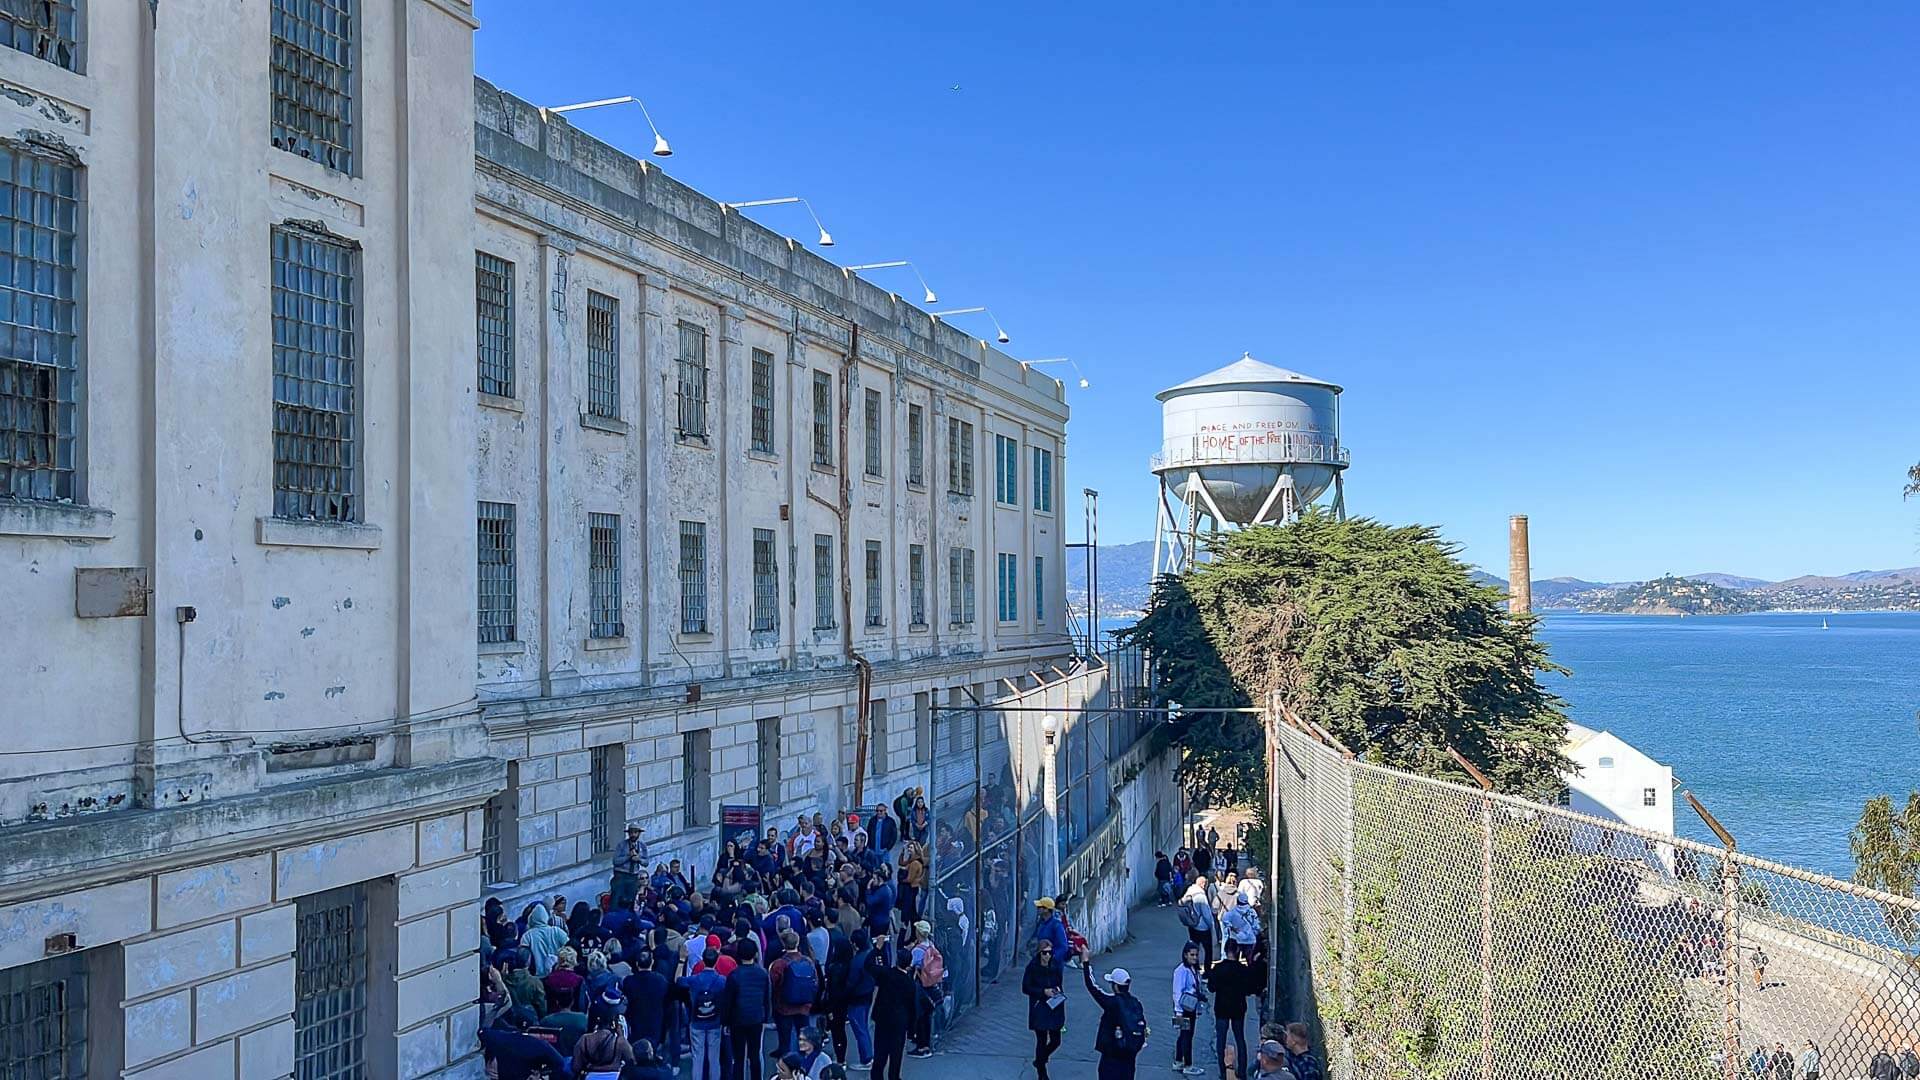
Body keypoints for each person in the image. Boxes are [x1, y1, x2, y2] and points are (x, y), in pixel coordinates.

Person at [1079, 944, 1148, 1080]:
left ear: (1115, 986)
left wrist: (1086, 962)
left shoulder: (1112, 1003)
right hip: (1129, 1056)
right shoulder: (1136, 1003)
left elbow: (1092, 987)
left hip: (1112, 1055)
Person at [721, 938, 772, 1080]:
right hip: (756, 1018)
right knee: (754, 1055)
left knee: (739, 1057)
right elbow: (767, 996)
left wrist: (725, 1021)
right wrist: (767, 1016)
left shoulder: (734, 975)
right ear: (755, 953)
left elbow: (728, 1001)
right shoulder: (762, 973)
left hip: (738, 1019)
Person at [868, 936, 918, 1080]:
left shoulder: (886, 974)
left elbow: (868, 965)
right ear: (909, 965)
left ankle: (876, 1077)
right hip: (899, 1023)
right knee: (896, 1055)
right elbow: (912, 1007)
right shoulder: (909, 983)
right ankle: (894, 1077)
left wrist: (877, 949)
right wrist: (912, 1030)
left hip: (882, 1019)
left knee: (880, 1054)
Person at [480, 1006, 571, 1080]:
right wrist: (541, 1071)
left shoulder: (500, 1037)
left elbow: (482, 1032)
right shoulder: (540, 1044)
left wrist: (496, 1007)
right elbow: (559, 1062)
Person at [679, 947, 728, 1080]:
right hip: (715, 1021)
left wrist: (681, 962)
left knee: (697, 1058)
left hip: (696, 1021)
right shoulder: (722, 980)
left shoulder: (694, 980)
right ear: (716, 960)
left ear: (703, 960)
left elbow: (678, 981)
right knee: (714, 1059)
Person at [1208, 948, 1256, 1080]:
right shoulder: (1243, 970)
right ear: (1238, 952)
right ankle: (1242, 1071)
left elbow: (1211, 988)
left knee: (1221, 1040)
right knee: (1240, 1038)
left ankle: (1223, 1071)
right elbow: (1249, 989)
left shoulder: (1218, 968)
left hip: (1222, 1007)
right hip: (1238, 1007)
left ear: (1225, 951)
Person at [1024, 937, 1068, 1080]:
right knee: (1041, 1040)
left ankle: (1040, 1060)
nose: (1047, 956)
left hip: (1054, 1006)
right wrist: (1043, 992)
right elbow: (1026, 987)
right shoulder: (1032, 967)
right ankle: (1042, 1073)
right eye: (1044, 953)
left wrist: (1056, 992)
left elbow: (1059, 982)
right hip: (1040, 1007)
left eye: (1049, 953)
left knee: (1056, 1040)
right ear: (1039, 953)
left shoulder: (1055, 965)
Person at [770, 929, 820, 1055]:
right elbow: (815, 981)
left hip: (784, 1006)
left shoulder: (779, 964)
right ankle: (804, 1061)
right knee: (803, 1035)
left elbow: (774, 984)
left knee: (785, 1038)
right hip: (804, 1006)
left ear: (783, 944)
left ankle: (786, 1061)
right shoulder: (808, 961)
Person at [621, 951, 670, 1067]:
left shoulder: (629, 981)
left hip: (636, 1023)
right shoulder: (661, 981)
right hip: (655, 1023)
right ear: (652, 963)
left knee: (637, 1054)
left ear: (637, 964)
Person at [842, 927, 877, 1070]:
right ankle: (869, 1055)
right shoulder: (871, 955)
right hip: (868, 993)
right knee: (864, 1026)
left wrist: (844, 995)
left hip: (857, 997)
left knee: (859, 1028)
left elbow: (851, 982)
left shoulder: (857, 961)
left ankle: (867, 1058)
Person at [574, 1005, 638, 1078]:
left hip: (590, 1076)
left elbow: (576, 1067)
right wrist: (621, 1035)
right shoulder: (620, 1042)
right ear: (613, 1023)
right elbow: (632, 1060)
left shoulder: (584, 1039)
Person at [1172, 942, 1206, 1075]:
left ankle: (1178, 1060)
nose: (1195, 957)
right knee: (1187, 1036)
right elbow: (1177, 992)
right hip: (1184, 1008)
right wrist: (1178, 1011)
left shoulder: (1193, 969)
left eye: (1196, 955)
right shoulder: (1181, 971)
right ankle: (1188, 1064)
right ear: (1185, 955)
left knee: (1184, 1035)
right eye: (1192, 955)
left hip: (1190, 1007)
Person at [522, 902, 570, 976]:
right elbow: (569, 948)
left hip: (537, 975)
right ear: (546, 917)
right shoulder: (557, 931)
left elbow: (523, 955)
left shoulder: (527, 936)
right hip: (558, 973)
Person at [1179, 880, 1216, 968]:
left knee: (1194, 948)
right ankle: (1207, 971)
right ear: (1203, 884)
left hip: (1192, 925)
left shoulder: (1190, 890)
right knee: (1208, 950)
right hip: (1203, 927)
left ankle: (1195, 967)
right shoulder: (1201, 896)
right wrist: (1211, 925)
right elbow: (1206, 914)